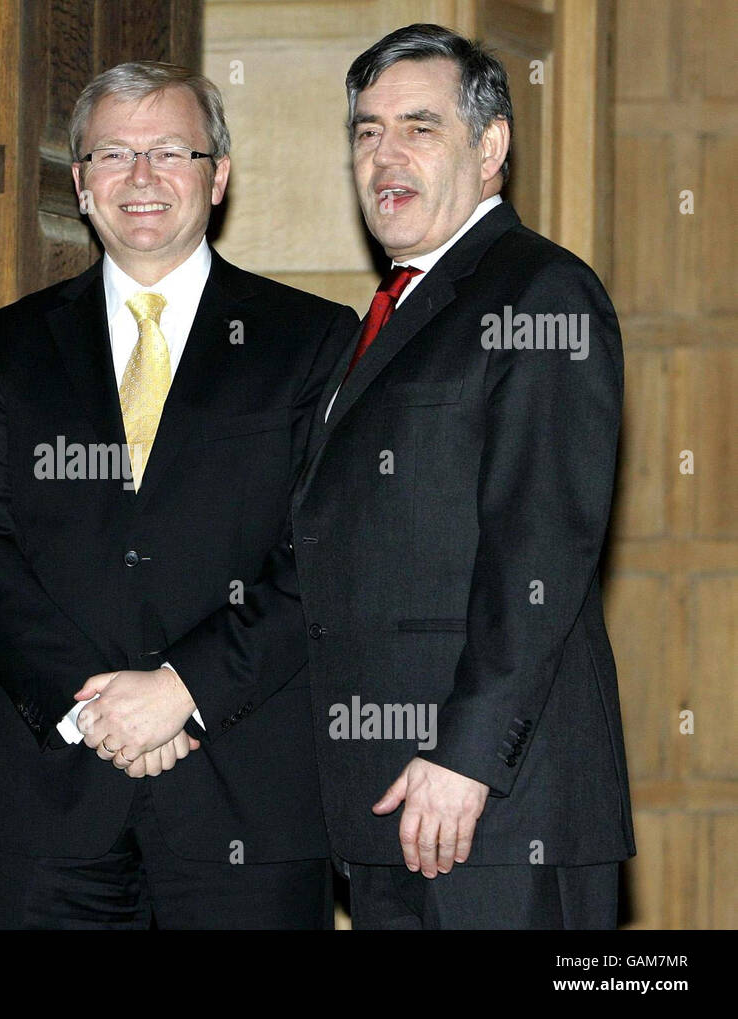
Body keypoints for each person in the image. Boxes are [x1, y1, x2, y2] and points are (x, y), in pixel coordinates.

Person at [98, 25, 634, 930]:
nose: (386, 155)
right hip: (384, 808)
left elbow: (538, 554)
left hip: (496, 816)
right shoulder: (389, 314)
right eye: (367, 131)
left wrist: (464, 759)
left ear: (490, 146)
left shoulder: (539, 295)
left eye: (419, 127)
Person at [0, 61, 358, 929]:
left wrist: (182, 688)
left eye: (170, 150)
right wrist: (88, 706)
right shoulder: (8, 348)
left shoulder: (311, 340)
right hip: (54, 803)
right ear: (82, 183)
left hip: (248, 801)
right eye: (113, 154)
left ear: (219, 174)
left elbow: (326, 550)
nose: (142, 177)